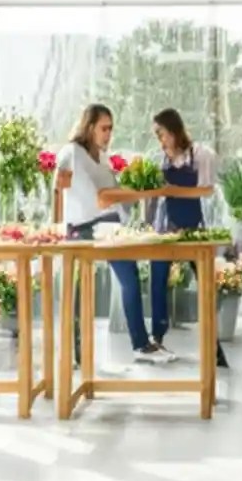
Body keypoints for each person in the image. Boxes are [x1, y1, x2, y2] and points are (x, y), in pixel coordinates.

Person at [99, 108, 228, 368]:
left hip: (193, 231)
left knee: (205, 287)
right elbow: (153, 197)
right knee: (158, 285)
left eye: (162, 134)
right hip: (164, 231)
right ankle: (156, 339)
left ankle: (214, 346)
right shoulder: (158, 160)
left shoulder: (199, 155)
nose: (160, 140)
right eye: (157, 135)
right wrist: (146, 225)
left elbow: (206, 190)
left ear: (174, 130)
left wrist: (173, 190)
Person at [54, 104, 146, 364]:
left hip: (108, 228)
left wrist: (140, 191)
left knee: (130, 276)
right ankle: (74, 353)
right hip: (82, 230)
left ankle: (141, 343)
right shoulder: (72, 154)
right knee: (78, 293)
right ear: (89, 126)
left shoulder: (102, 160)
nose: (108, 134)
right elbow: (67, 193)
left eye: (111, 129)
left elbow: (114, 195)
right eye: (104, 128)